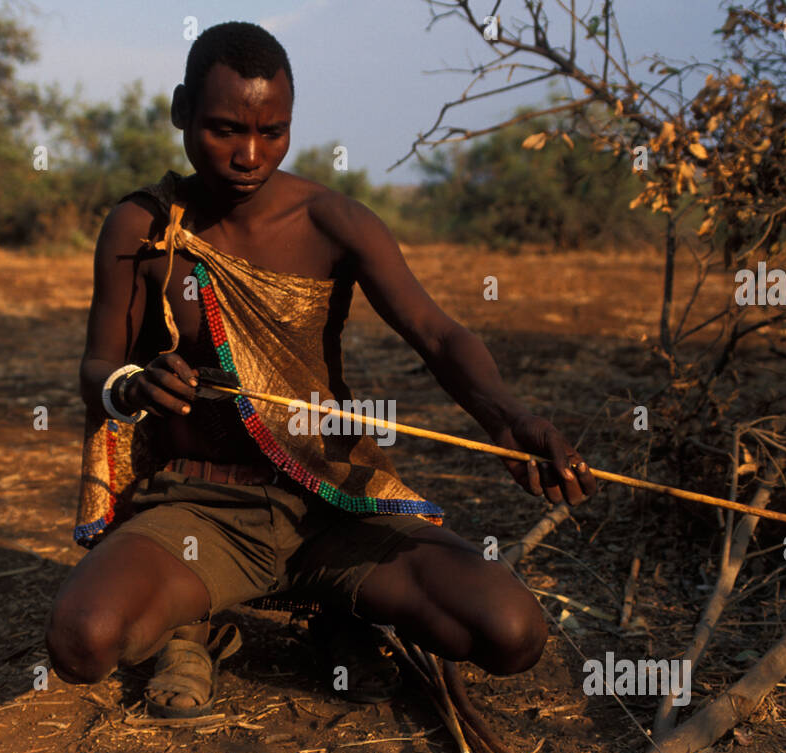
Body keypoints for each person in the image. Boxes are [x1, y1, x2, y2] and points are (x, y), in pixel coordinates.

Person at [46, 21, 596, 717]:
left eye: (272, 132)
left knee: (511, 632)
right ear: (182, 110)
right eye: (223, 129)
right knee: (82, 640)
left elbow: (436, 333)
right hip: (194, 508)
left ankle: (336, 602)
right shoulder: (144, 227)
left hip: (329, 504)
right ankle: (194, 622)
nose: (250, 155)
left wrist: (511, 419)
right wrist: (130, 384)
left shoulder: (332, 221)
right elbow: (96, 363)